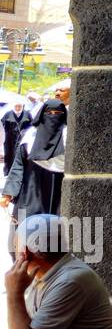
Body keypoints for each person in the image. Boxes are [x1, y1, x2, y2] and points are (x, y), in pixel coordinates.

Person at [2, 99, 67, 251]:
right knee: (25, 233)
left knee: (53, 235)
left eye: (57, 114)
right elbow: (18, 167)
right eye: (49, 113)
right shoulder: (30, 136)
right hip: (31, 190)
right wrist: (8, 194)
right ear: (41, 115)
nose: (52, 116)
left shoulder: (68, 136)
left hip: (58, 193)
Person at [2, 98, 31, 177]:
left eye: (19, 106)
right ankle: (7, 172)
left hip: (22, 138)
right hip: (9, 138)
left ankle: (19, 172)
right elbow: (2, 125)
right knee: (8, 154)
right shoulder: (8, 114)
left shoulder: (27, 114)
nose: (18, 108)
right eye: (16, 106)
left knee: (20, 154)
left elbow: (31, 125)